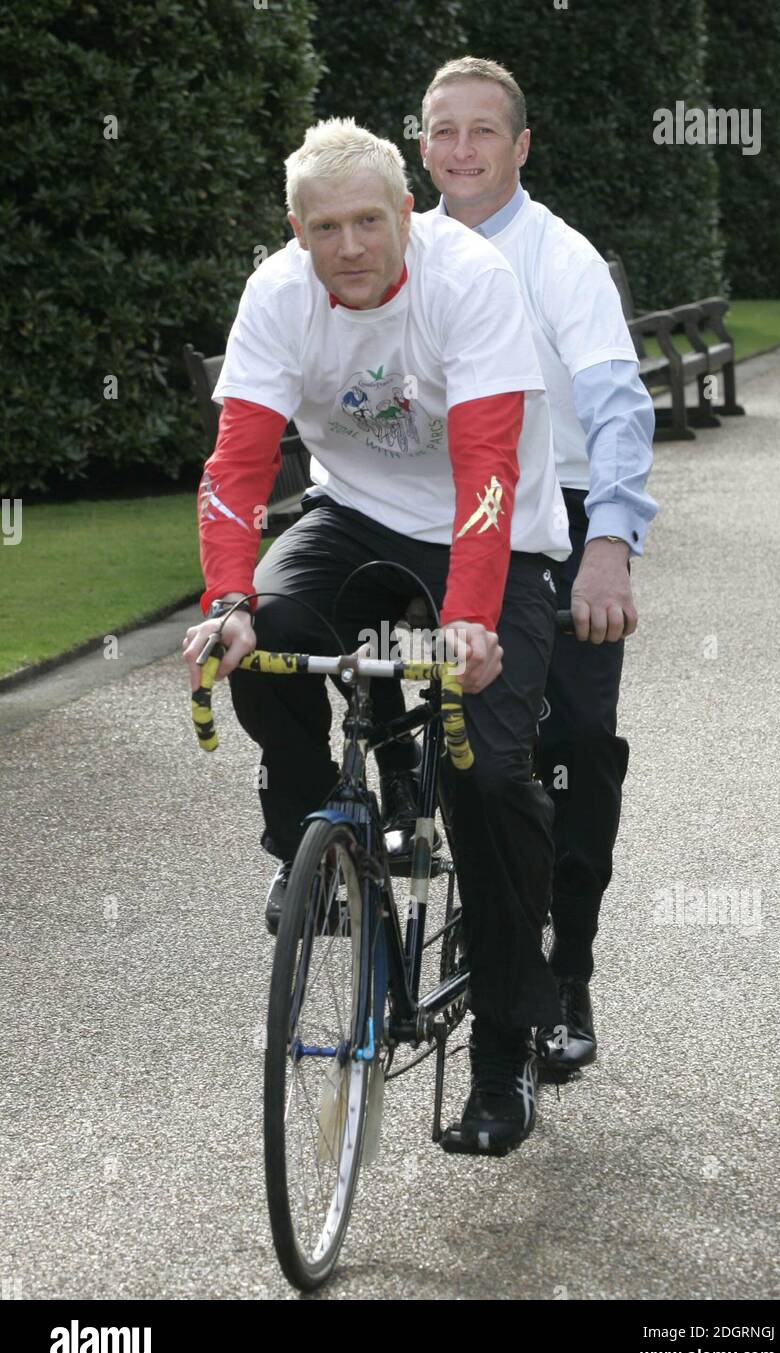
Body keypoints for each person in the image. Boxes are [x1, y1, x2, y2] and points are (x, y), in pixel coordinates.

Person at [183, 117, 573, 1154]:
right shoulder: (278, 294)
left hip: (488, 534)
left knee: (490, 780)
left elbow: (487, 467)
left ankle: (505, 1048)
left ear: (406, 212)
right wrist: (224, 602)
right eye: (325, 228)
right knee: (263, 630)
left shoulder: (470, 280)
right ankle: (312, 836)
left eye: (368, 221)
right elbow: (235, 469)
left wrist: (471, 618)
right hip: (354, 517)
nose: (348, 247)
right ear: (296, 232)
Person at [373, 57, 658, 1079]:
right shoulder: (391, 250)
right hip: (433, 509)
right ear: (420, 144)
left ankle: (565, 964)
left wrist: (609, 545)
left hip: (556, 513)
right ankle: (387, 815)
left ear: (522, 146)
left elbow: (617, 407)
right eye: (442, 130)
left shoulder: (560, 259)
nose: (461, 149)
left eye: (483, 130)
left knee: (573, 738)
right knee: (351, 641)